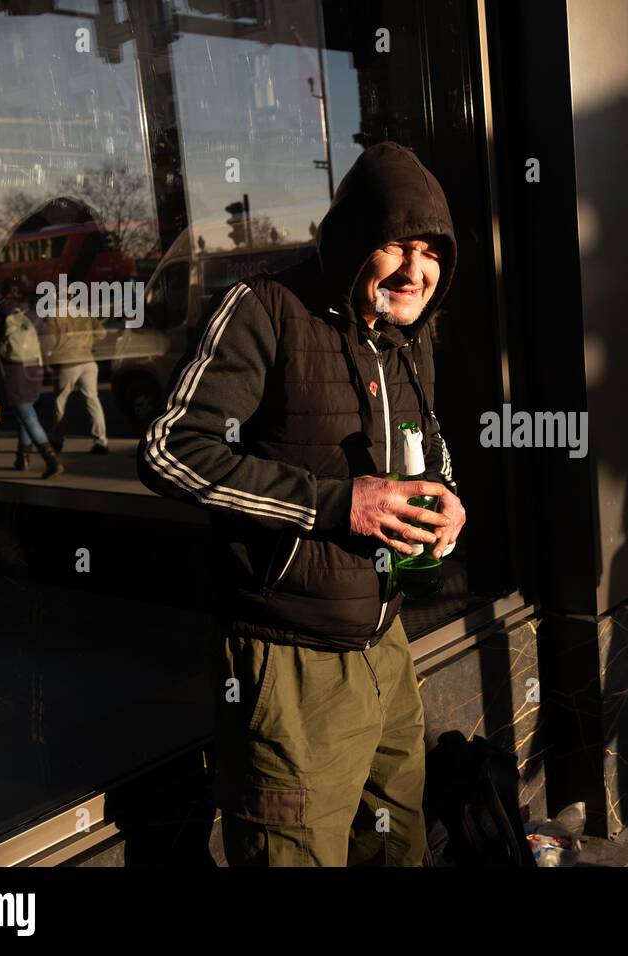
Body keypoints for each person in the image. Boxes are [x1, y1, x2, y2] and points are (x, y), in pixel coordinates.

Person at [138, 141, 465, 866]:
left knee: (400, 846)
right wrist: (334, 506)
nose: (416, 272)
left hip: (386, 643)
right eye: (397, 247)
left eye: (432, 254)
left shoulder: (408, 340)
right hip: (288, 663)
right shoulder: (264, 310)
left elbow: (429, 446)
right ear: (354, 243)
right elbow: (170, 451)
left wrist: (450, 499)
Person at [0, 277, 64, 479]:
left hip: (13, 369)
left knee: (26, 413)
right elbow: (48, 339)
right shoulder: (31, 312)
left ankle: (51, 460)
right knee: (26, 411)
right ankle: (22, 457)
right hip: (34, 367)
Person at [45, 295, 108, 454]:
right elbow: (102, 333)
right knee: (93, 400)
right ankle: (101, 441)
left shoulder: (54, 315)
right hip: (88, 360)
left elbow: (49, 340)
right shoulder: (84, 313)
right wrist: (88, 341)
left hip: (68, 362)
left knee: (60, 401)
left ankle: (57, 440)